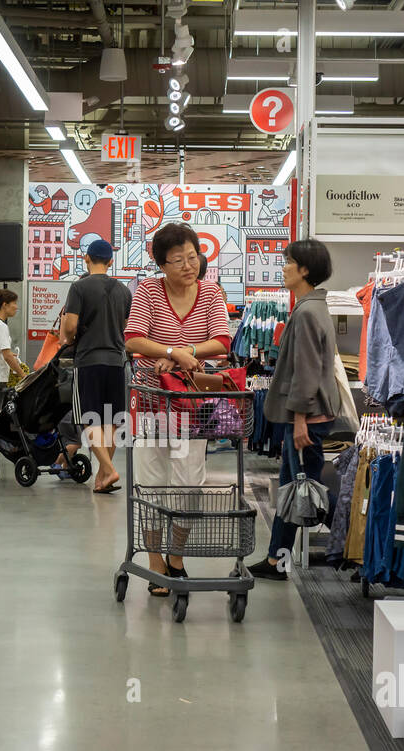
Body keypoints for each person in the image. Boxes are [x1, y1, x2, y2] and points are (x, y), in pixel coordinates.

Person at [124, 222, 231, 595]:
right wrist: (170, 351)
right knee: (152, 484)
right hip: (152, 404)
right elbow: (133, 339)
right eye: (178, 260)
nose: (189, 265)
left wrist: (185, 356)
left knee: (188, 485)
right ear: (161, 265)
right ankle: (155, 565)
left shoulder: (210, 293)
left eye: (193, 257)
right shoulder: (149, 291)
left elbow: (221, 341)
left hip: (190, 406)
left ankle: (177, 557)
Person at [248, 238, 342, 582]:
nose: (283, 267)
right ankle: (277, 561)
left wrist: (300, 420)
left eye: (289, 262)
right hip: (312, 414)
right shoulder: (314, 306)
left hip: (307, 418)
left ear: (304, 270)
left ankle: (358, 541)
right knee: (294, 488)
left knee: (309, 490)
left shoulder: (305, 312)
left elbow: (305, 372)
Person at [59, 238, 131, 494]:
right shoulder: (124, 290)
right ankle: (102, 477)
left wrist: (66, 337)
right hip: (116, 361)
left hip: (88, 361)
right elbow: (125, 327)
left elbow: (70, 327)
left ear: (86, 258)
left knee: (90, 419)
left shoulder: (79, 288)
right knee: (111, 420)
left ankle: (109, 470)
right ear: (110, 262)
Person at [0, 289, 28, 424]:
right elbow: (7, 356)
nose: (16, 306)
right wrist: (23, 375)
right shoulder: (0, 326)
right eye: (14, 303)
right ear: (4, 305)